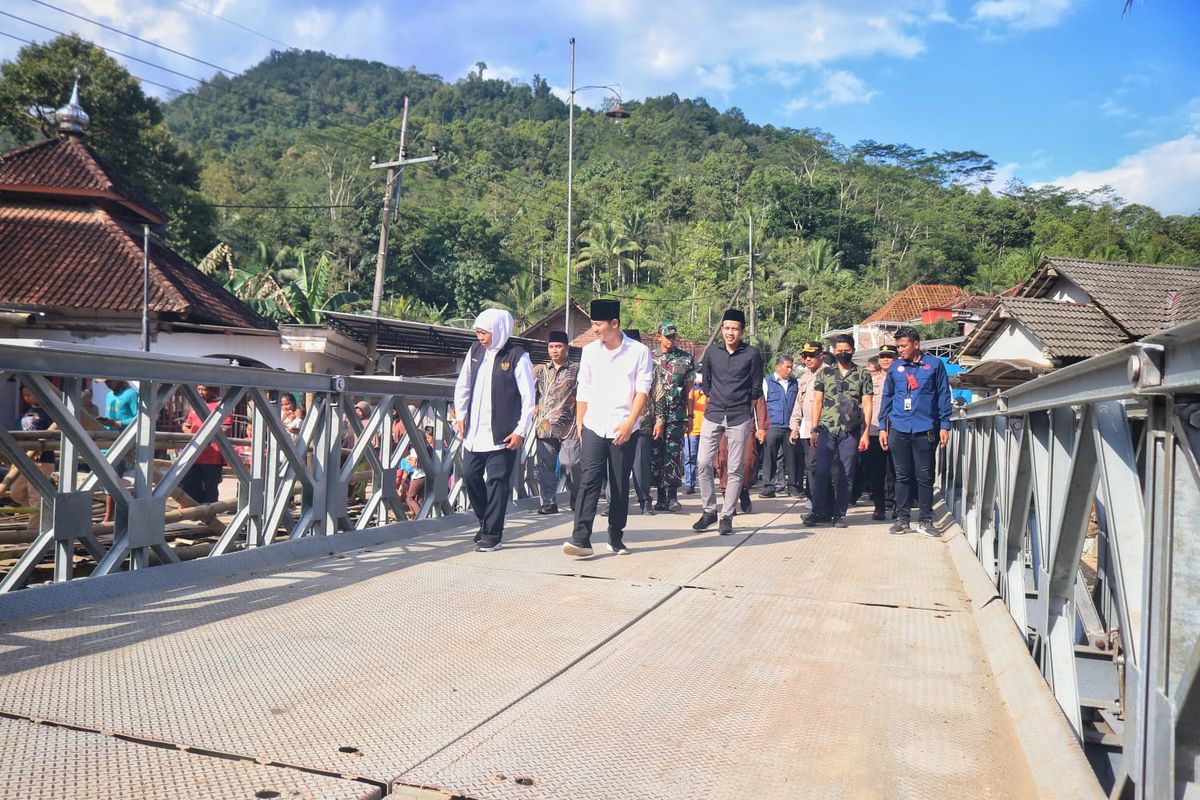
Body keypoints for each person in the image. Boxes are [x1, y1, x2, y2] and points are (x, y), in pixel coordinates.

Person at [563, 299, 652, 558]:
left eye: (598, 324)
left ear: (615, 323)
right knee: (589, 479)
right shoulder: (590, 351)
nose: (595, 329)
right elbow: (585, 388)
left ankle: (615, 535)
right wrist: (580, 421)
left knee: (619, 483)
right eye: (592, 324)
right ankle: (581, 538)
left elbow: (642, 390)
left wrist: (629, 422)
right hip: (593, 425)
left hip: (624, 427)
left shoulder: (638, 352)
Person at [453, 308, 535, 552]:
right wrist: (460, 415)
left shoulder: (518, 356)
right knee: (470, 476)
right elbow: (463, 385)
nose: (480, 337)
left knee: (498, 482)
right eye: (478, 332)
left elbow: (529, 398)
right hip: (474, 433)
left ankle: (493, 534)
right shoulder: (475, 352)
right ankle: (484, 521)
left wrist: (521, 430)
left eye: (484, 333)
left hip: (503, 434)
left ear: (498, 331)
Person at [693, 308, 764, 536]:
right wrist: (717, 400)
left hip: (739, 417)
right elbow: (706, 383)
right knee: (703, 463)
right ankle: (709, 510)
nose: (730, 332)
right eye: (726, 328)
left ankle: (727, 515)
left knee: (735, 468)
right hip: (713, 414)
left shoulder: (752, 354)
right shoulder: (712, 352)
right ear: (721, 329)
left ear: (742, 331)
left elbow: (756, 387)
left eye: (734, 328)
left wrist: (743, 407)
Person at [879, 326, 952, 537]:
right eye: (898, 346)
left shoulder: (934, 365)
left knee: (925, 476)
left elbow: (942, 396)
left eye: (903, 346)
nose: (900, 350)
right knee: (901, 476)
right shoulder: (895, 369)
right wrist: (883, 427)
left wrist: (945, 425)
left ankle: (925, 520)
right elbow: (887, 398)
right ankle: (902, 519)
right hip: (899, 428)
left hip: (925, 428)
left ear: (916, 344)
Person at [804, 334, 873, 528]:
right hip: (826, 428)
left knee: (846, 473)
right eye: (839, 350)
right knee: (821, 471)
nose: (843, 353)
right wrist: (814, 429)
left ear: (853, 350)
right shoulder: (825, 374)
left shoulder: (862, 374)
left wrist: (865, 432)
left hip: (850, 430)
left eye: (846, 350)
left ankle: (839, 514)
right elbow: (817, 402)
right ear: (834, 351)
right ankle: (817, 511)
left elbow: (867, 404)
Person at [533, 330, 580, 514]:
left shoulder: (577, 369)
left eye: (558, 346)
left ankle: (576, 496)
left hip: (570, 425)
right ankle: (548, 503)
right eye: (551, 346)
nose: (554, 350)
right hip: (545, 425)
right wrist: (534, 407)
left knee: (572, 463)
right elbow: (529, 394)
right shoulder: (540, 371)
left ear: (567, 348)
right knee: (545, 466)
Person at [650, 321, 695, 512]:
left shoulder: (685, 359)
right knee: (656, 455)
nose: (670, 340)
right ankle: (660, 497)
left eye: (673, 336)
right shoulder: (649, 358)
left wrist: (690, 415)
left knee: (673, 454)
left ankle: (672, 496)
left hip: (676, 415)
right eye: (667, 336)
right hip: (653, 416)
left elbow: (690, 391)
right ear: (658, 336)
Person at [0, 386, 56, 533]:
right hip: (25, 459)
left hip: (42, 459)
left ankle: (33, 530)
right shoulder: (28, 413)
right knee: (16, 492)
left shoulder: (49, 412)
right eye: (25, 395)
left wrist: (40, 446)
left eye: (30, 394)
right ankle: (45, 511)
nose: (28, 398)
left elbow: (56, 429)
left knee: (35, 496)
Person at [624, 330, 658, 515]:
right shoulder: (615, 366)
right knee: (614, 467)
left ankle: (645, 501)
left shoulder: (650, 366)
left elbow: (657, 395)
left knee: (640, 465)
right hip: (616, 424)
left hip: (642, 423)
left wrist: (659, 420)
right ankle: (613, 502)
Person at [179, 384, 229, 505]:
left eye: (204, 390)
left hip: (212, 455)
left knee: (210, 487)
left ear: (213, 390)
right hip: (194, 454)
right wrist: (187, 431)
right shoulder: (195, 404)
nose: (201, 392)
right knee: (188, 483)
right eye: (199, 389)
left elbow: (225, 427)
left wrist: (205, 437)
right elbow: (187, 424)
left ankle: (210, 515)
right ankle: (197, 510)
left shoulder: (221, 405)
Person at [788, 342, 824, 501]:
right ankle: (812, 499)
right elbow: (798, 404)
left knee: (818, 467)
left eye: (812, 355)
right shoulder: (805, 377)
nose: (808, 359)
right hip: (806, 429)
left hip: (822, 429)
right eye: (805, 356)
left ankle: (820, 500)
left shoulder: (828, 374)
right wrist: (794, 427)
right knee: (810, 466)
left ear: (820, 356)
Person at [760, 354, 799, 498]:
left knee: (792, 457)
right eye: (787, 367)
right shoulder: (767, 382)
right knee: (769, 456)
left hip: (790, 426)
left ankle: (793, 486)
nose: (790, 370)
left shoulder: (796, 383)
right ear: (778, 366)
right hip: (772, 425)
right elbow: (761, 405)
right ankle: (769, 486)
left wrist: (796, 426)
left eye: (791, 367)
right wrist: (762, 427)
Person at [682, 371, 706, 494]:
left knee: (705, 460)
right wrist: (699, 390)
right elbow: (689, 399)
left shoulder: (709, 388)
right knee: (689, 457)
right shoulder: (691, 389)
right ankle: (689, 483)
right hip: (692, 429)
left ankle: (705, 484)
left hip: (707, 429)